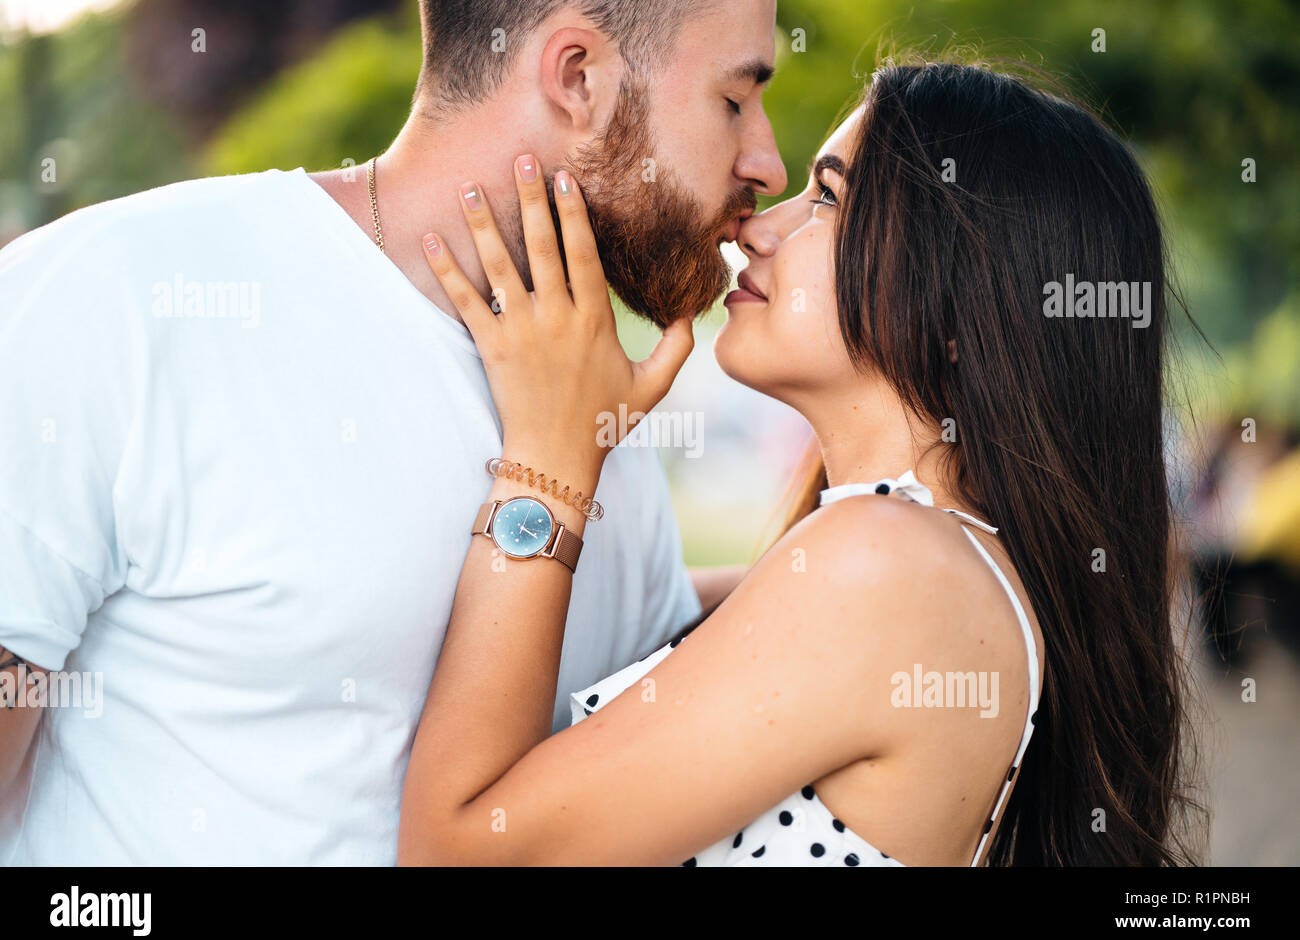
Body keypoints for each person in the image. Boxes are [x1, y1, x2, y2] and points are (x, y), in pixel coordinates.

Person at [0, 0, 784, 865]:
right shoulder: (106, 303)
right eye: (734, 100)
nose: (768, 163)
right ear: (578, 78)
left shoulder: (585, 396)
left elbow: (647, 656)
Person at [397, 60, 1203, 866]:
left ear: (964, 300)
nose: (759, 227)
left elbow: (459, 850)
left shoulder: (885, 569)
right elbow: (641, 618)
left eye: (828, 198)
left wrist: (549, 461)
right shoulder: (913, 563)